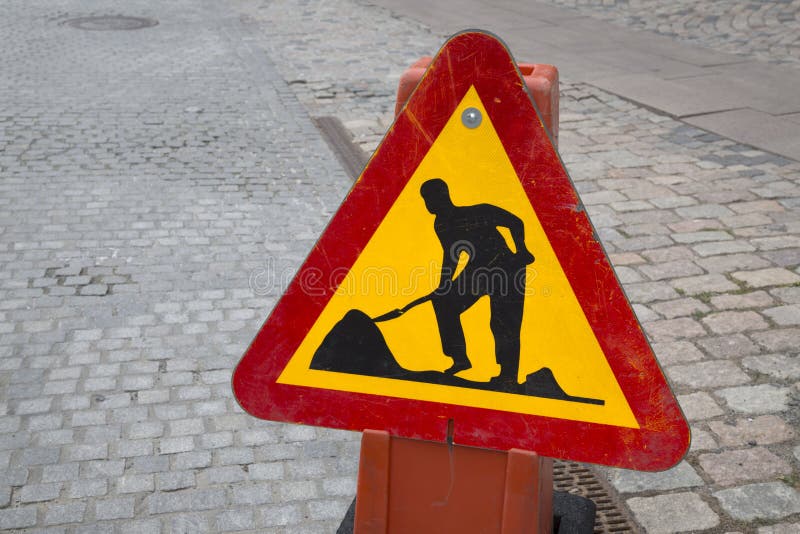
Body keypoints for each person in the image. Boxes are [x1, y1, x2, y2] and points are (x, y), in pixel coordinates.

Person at [420, 178, 534, 386]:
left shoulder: (479, 211)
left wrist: (521, 250)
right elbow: (451, 255)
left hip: (507, 268)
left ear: (443, 195)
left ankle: (508, 375)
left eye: (430, 198)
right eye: (425, 199)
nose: (428, 203)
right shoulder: (441, 225)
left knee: (503, 323)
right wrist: (444, 285)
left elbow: (515, 222)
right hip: (478, 271)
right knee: (444, 302)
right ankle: (460, 358)